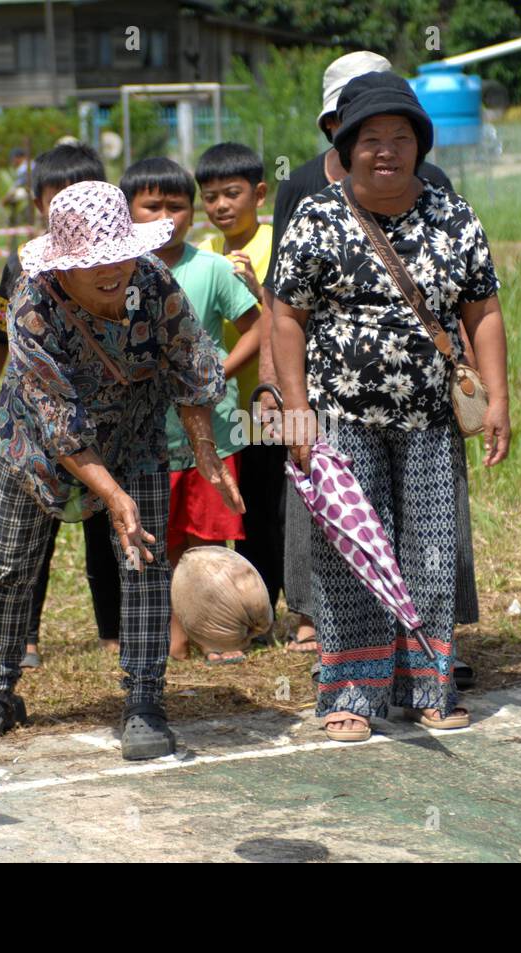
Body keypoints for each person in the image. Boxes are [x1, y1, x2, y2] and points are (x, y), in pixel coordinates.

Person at [0, 181, 243, 760]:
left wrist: (205, 449)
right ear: (64, 266)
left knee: (144, 562)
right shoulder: (32, 304)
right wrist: (111, 494)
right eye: (94, 263)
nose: (111, 270)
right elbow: (55, 419)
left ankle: (144, 699)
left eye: (118, 254)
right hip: (36, 450)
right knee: (11, 566)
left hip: (134, 438)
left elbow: (189, 363)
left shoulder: (154, 283)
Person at [272, 72, 510, 742]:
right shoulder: (317, 217)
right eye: (369, 139)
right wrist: (295, 409)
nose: (386, 150)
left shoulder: (452, 216)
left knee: (431, 549)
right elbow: (285, 316)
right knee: (349, 551)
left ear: (419, 145)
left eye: (400, 138)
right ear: (345, 148)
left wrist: (498, 399)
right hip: (339, 418)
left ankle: (429, 685)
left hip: (432, 418)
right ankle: (350, 692)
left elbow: (483, 309)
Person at [0, 142, 121, 666]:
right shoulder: (20, 267)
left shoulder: (118, 265)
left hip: (100, 427)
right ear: (38, 205)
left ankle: (114, 630)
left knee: (106, 527)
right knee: (31, 535)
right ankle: (24, 637)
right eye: (58, 200)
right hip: (34, 426)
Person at [120, 157, 260, 664]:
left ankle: (217, 630)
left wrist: (219, 374)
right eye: (151, 205)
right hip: (145, 436)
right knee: (159, 538)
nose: (166, 215)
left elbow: (257, 328)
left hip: (212, 433)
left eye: (176, 206)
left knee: (208, 535)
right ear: (126, 210)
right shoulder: (115, 273)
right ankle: (173, 634)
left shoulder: (214, 269)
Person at [195, 142, 286, 618]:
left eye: (231, 194)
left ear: (260, 194)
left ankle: (284, 601)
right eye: (210, 197)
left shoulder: (278, 242)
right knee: (238, 508)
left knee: (277, 503)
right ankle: (243, 607)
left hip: (270, 401)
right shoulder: (204, 252)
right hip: (223, 408)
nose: (221, 206)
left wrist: (256, 290)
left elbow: (290, 314)